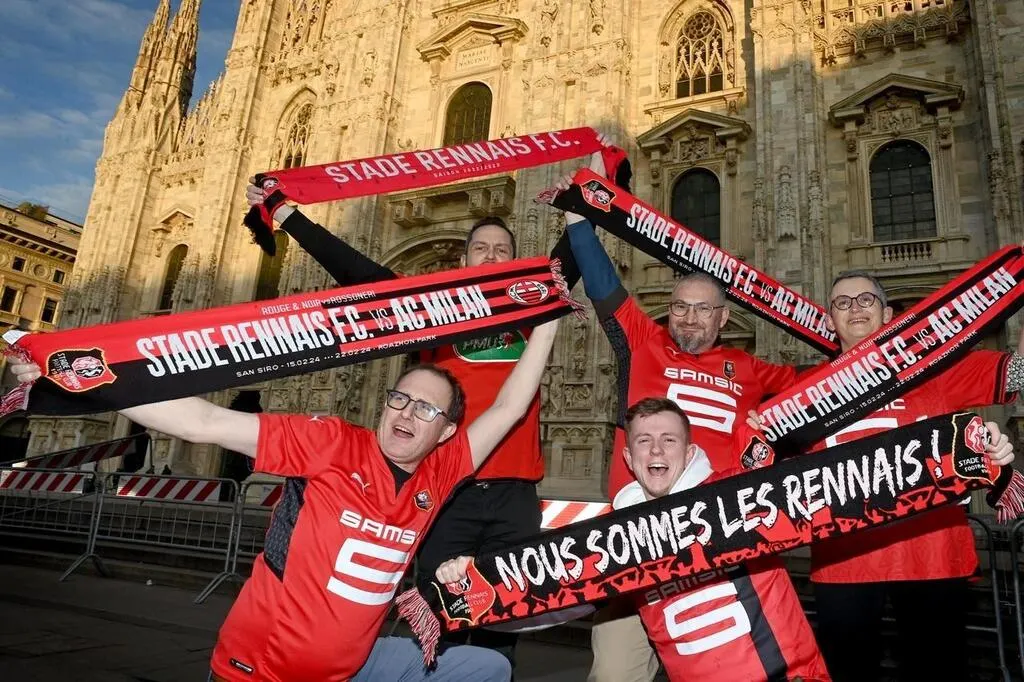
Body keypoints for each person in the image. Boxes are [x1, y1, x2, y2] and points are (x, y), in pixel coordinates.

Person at [243, 134, 627, 668]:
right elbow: (362, 277)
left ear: (515, 263)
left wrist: (598, 169)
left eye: (502, 251)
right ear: (464, 259)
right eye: (480, 249)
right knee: (439, 620)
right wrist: (284, 213)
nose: (491, 257)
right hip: (448, 489)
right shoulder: (436, 314)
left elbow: (576, 245)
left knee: (503, 622)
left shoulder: (532, 302)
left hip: (516, 493)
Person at [6, 317, 561, 682]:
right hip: (266, 671)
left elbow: (510, 407)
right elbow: (203, 422)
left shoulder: (438, 474)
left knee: (484, 666)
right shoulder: (332, 444)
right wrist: (77, 378)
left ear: (445, 433)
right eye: (400, 398)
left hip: (353, 668)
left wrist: (549, 318)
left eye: (426, 409)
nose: (406, 413)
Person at [552, 168, 797, 682]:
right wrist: (580, 218)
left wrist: (878, 343)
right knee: (617, 672)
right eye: (679, 308)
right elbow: (603, 285)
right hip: (636, 539)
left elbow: (829, 386)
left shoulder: (750, 369)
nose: (687, 319)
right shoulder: (644, 343)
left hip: (718, 542)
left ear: (722, 318)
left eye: (701, 311)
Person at [435, 398, 833, 681]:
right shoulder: (618, 538)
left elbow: (826, 484)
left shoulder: (737, 495)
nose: (656, 449)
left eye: (669, 440)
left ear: (690, 450)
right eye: (644, 440)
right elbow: (552, 599)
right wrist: (474, 588)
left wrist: (781, 426)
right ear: (629, 458)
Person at [795, 270, 1023, 682]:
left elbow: (1019, 373)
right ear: (830, 321)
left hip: (933, 557)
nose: (855, 308)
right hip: (843, 564)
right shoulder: (805, 389)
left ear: (887, 313)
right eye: (842, 303)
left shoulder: (936, 370)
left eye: (866, 300)